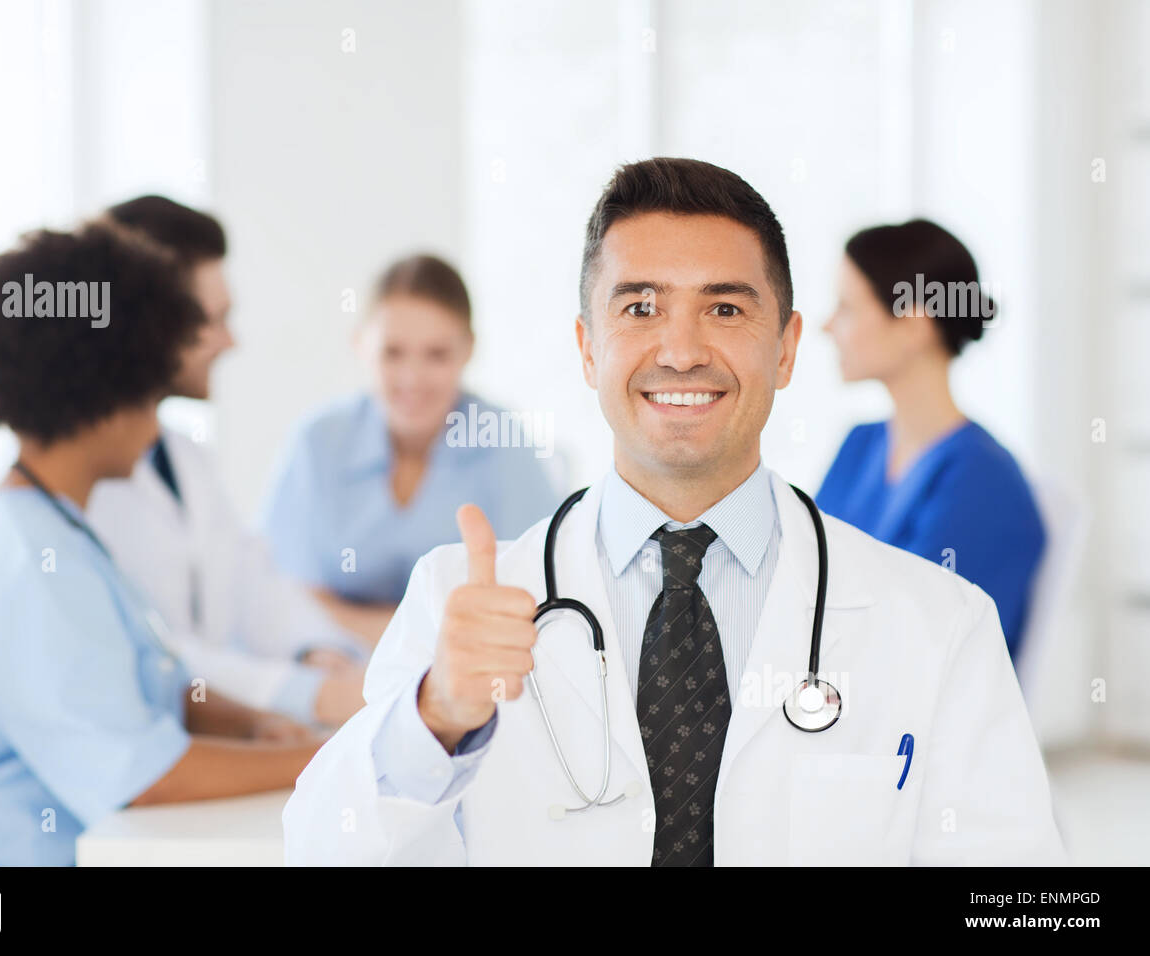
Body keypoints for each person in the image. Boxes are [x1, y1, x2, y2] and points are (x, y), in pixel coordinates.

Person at [281, 158, 1065, 866]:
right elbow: (323, 851)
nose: (681, 350)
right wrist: (436, 719)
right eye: (640, 308)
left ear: (786, 349)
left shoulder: (941, 624)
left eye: (725, 310)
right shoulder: (456, 601)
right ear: (588, 349)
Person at [0, 223, 321, 866]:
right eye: (153, 391)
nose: (156, 417)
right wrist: (326, 758)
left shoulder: (53, 531)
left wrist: (250, 723)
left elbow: (150, 690)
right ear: (107, 394)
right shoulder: (32, 563)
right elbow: (146, 776)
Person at [87, 196, 365, 727]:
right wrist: (308, 693)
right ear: (149, 324)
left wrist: (316, 652)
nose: (231, 341)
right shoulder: (81, 485)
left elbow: (252, 583)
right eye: (213, 321)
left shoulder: (186, 459)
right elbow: (147, 654)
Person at [259, 254, 561, 644]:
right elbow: (282, 597)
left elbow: (534, 599)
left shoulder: (503, 440)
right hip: (334, 671)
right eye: (393, 353)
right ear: (359, 345)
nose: (412, 378)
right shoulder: (319, 442)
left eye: (436, 355)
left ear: (468, 350)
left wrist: (352, 621)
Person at [816, 219, 1045, 660]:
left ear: (913, 326)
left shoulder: (982, 481)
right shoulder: (860, 445)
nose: (827, 326)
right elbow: (803, 573)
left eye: (846, 308)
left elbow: (919, 645)